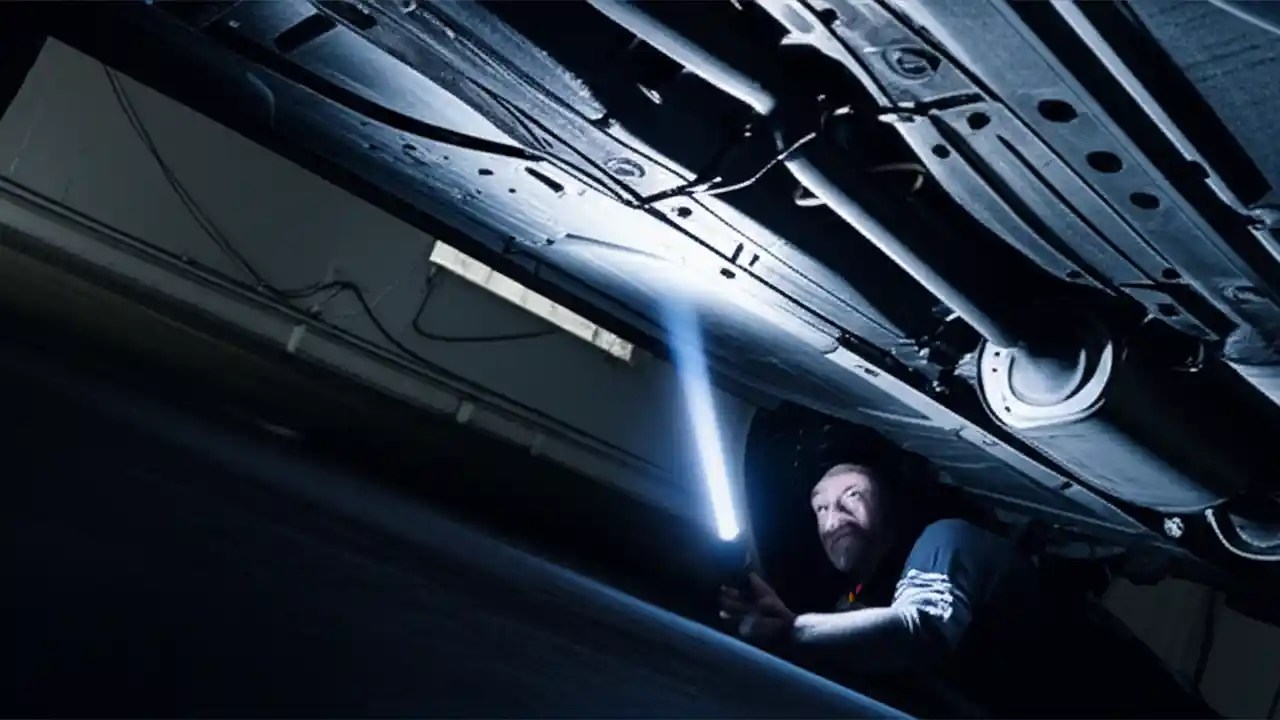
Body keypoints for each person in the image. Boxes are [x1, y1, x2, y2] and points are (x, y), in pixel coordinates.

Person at [718, 462, 1216, 718]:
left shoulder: (945, 541)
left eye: (852, 495)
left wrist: (793, 632)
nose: (834, 516)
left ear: (890, 509)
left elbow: (922, 628)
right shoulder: (862, 605)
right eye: (820, 509)